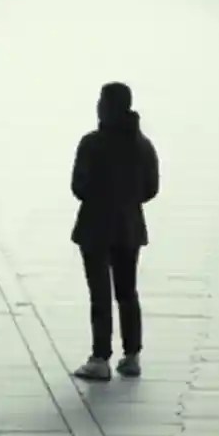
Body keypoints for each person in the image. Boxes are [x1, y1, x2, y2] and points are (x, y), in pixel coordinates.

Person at [70, 81, 160, 381]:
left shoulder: (91, 143)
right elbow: (151, 188)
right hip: (129, 226)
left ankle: (100, 358)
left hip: (95, 227)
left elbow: (78, 187)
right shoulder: (143, 145)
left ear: (106, 106)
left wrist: (101, 195)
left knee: (100, 294)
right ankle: (132, 355)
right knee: (127, 292)